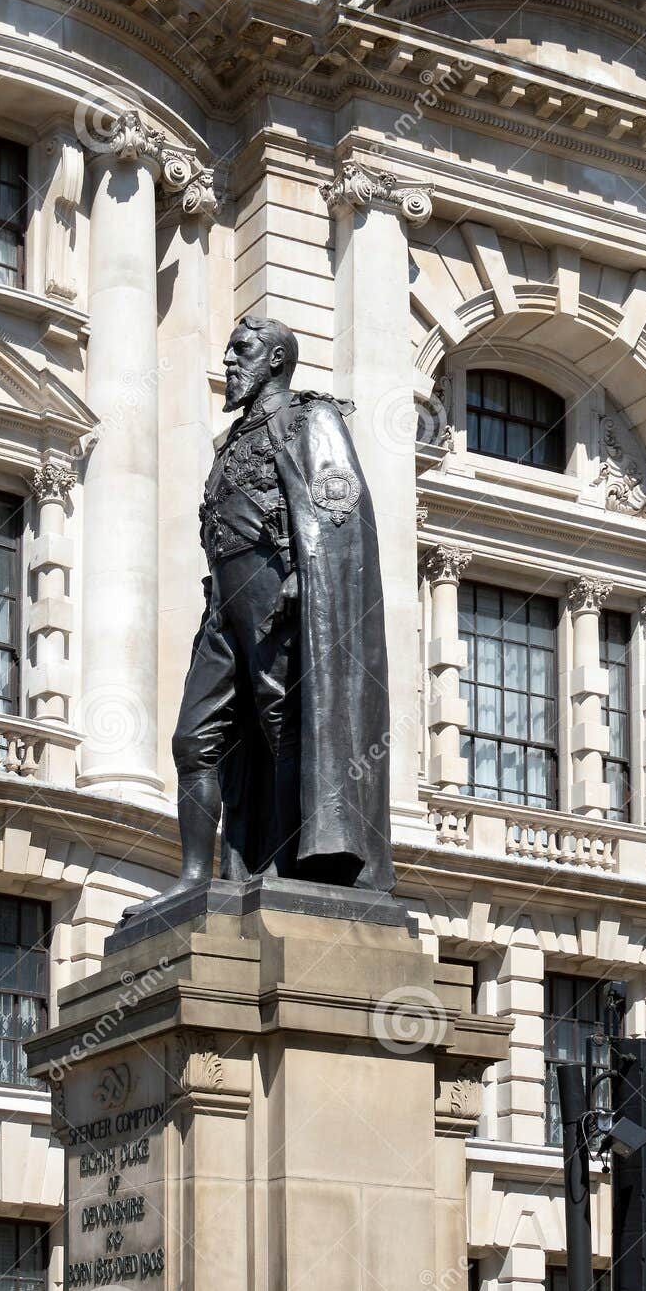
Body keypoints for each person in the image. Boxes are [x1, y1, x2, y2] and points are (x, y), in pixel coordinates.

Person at [171, 315, 393, 893]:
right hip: (223, 605)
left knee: (281, 730)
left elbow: (338, 508)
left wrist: (307, 575)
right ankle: (195, 876)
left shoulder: (310, 417)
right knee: (195, 739)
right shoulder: (231, 443)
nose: (228, 362)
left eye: (241, 350)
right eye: (227, 351)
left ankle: (291, 868)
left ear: (276, 361)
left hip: (280, 596)